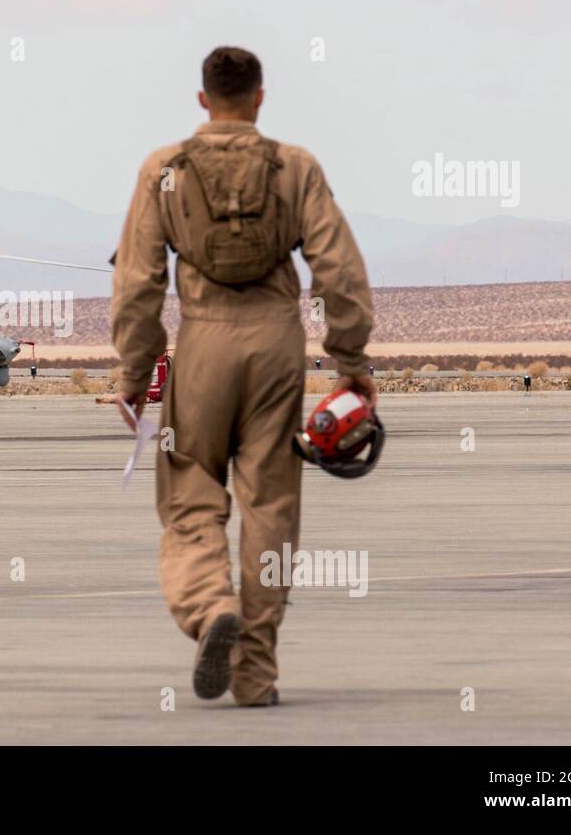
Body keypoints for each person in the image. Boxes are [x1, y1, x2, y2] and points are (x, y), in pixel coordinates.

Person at [111, 46, 374, 707]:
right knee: (271, 508)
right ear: (260, 97)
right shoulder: (294, 167)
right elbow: (338, 270)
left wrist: (132, 373)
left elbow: (137, 282)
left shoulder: (163, 171)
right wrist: (352, 362)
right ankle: (255, 671)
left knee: (188, 495)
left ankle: (208, 606)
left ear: (203, 98)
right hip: (276, 347)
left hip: (202, 346)